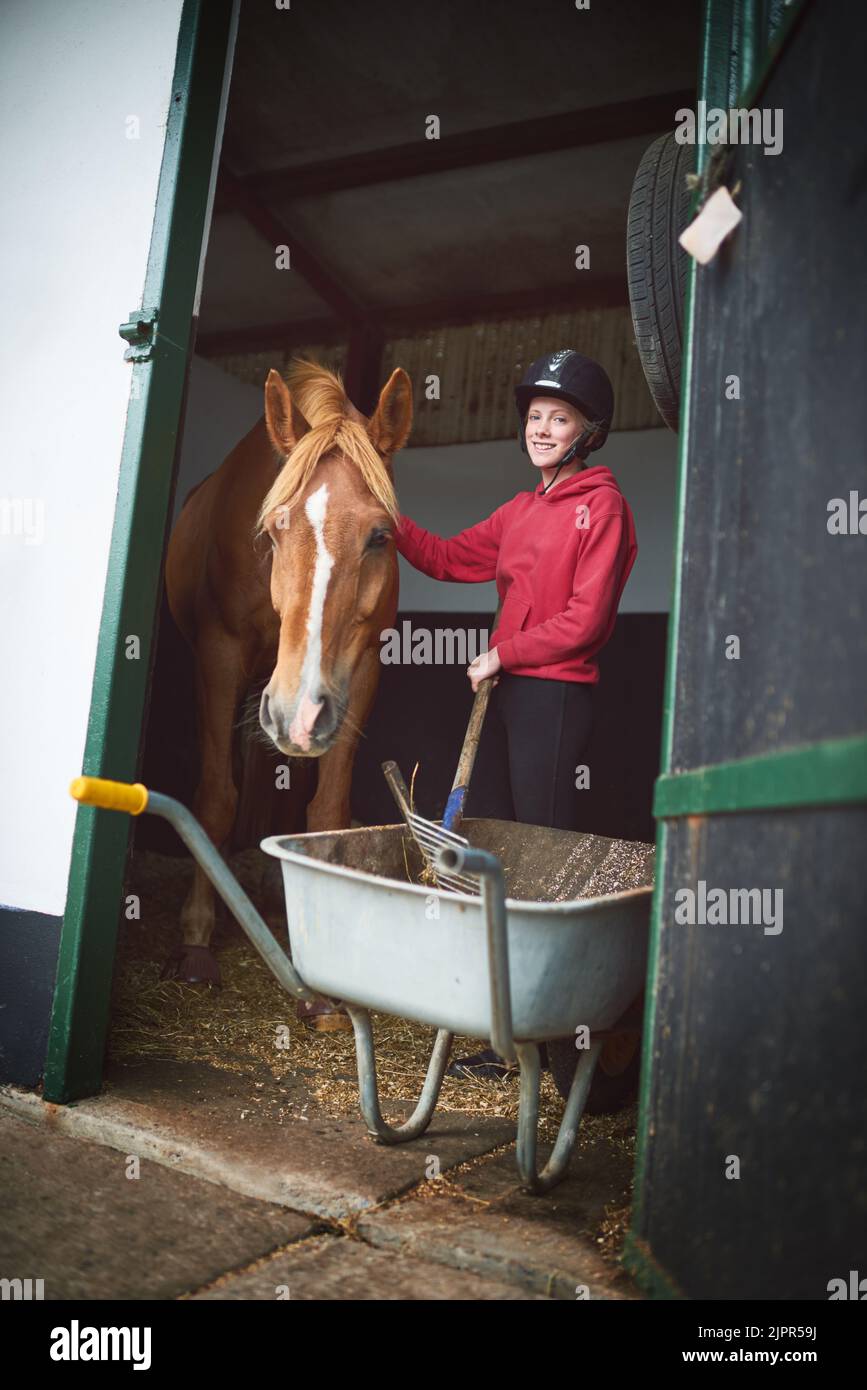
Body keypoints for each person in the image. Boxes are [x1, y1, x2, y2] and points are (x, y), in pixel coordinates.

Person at [394, 349, 638, 1077]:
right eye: (534, 417)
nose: (540, 429)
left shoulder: (605, 507)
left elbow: (586, 620)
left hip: (554, 696)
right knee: (496, 855)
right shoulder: (520, 510)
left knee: (540, 861)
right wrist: (384, 515)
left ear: (586, 432)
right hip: (503, 695)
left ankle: (554, 1043)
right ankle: (505, 1030)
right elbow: (441, 557)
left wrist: (504, 653)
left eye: (557, 418)